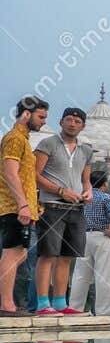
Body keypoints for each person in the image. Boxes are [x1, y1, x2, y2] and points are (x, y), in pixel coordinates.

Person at [31, 105, 94, 315]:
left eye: (77, 121)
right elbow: (34, 175)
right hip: (52, 206)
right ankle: (42, 304)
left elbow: (86, 180)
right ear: (61, 122)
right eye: (69, 120)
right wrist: (60, 190)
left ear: (83, 126)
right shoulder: (48, 143)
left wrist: (88, 192)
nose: (72, 124)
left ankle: (60, 303)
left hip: (75, 208)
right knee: (48, 254)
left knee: (67, 257)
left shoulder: (86, 150)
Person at [1, 97, 48, 313]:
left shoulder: (22, 140)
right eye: (41, 117)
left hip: (20, 206)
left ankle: (6, 302)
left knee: (19, 254)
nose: (44, 122)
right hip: (13, 206)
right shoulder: (15, 138)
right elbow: (10, 173)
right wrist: (22, 205)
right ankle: (6, 305)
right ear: (27, 114)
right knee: (13, 253)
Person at [67, 170, 110, 315]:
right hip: (101, 236)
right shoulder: (106, 197)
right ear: (105, 184)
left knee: (80, 275)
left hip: (83, 236)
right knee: (104, 275)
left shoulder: (83, 197)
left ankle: (75, 308)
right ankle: (104, 311)